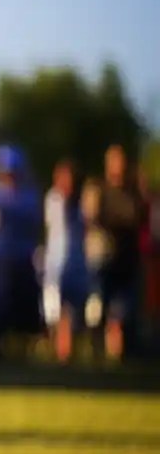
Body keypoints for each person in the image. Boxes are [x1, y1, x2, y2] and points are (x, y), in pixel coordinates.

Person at [87, 145, 145, 359]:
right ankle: (96, 352)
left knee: (125, 311)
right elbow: (92, 217)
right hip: (104, 259)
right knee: (99, 308)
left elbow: (140, 217)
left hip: (128, 259)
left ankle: (122, 355)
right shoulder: (99, 189)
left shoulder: (133, 192)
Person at [0, 144, 43, 350]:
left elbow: (34, 226)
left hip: (23, 258)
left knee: (24, 305)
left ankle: (24, 343)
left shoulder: (29, 196)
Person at [43, 160, 89, 363]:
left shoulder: (83, 203)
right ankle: (58, 351)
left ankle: (71, 351)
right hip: (56, 261)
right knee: (55, 309)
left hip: (78, 262)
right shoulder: (53, 199)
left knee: (76, 309)